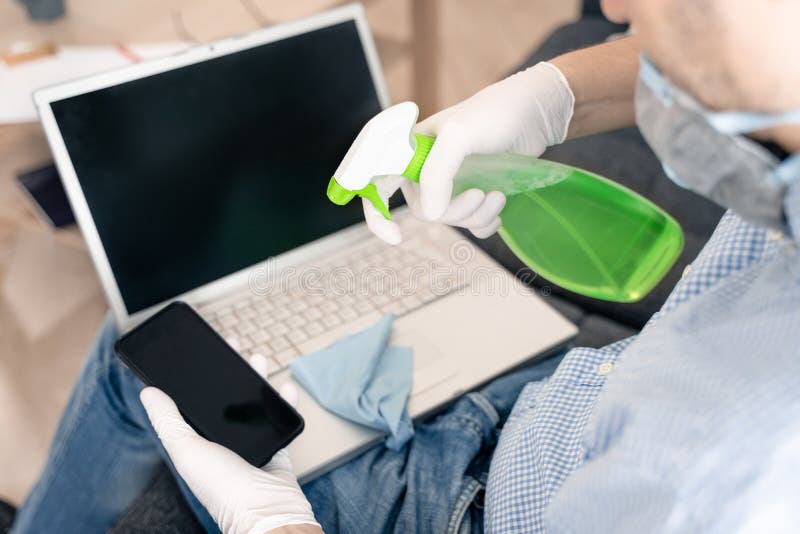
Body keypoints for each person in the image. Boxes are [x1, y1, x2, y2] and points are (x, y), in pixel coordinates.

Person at [11, 0, 800, 532]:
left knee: (143, 357)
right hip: (570, 400)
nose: (620, 11)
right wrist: (551, 94)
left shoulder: (750, 480)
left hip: (474, 504)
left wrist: (271, 520)